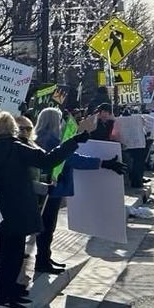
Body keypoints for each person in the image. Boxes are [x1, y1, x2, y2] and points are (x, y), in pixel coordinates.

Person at [0, 112, 87, 308]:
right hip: (16, 208)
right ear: (12, 128)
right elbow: (48, 160)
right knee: (13, 255)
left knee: (8, 254)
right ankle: (3, 297)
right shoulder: (15, 147)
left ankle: (9, 291)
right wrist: (74, 141)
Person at [35, 107, 126, 274]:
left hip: (48, 187)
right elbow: (72, 159)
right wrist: (103, 163)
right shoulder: (51, 139)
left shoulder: (42, 137)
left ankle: (44, 257)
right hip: (52, 188)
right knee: (47, 227)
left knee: (47, 226)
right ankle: (42, 260)